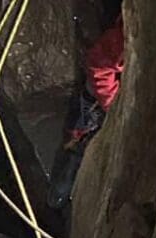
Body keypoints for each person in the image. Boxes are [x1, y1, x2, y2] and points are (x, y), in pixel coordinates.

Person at [49, 12, 125, 207]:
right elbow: (99, 64)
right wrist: (111, 102)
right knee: (78, 141)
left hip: (113, 93)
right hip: (98, 99)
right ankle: (58, 193)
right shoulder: (122, 41)